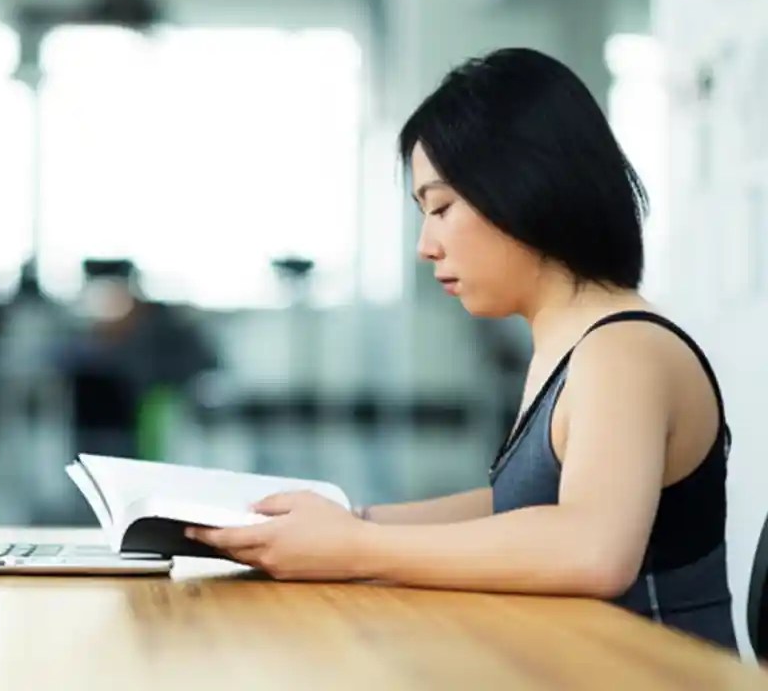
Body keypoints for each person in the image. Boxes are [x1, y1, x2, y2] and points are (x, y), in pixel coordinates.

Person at [187, 47, 736, 650]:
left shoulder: (624, 349)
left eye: (443, 207)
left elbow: (591, 548)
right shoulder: (574, 342)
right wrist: (350, 521)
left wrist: (354, 546)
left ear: (526, 186)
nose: (426, 245)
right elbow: (520, 508)